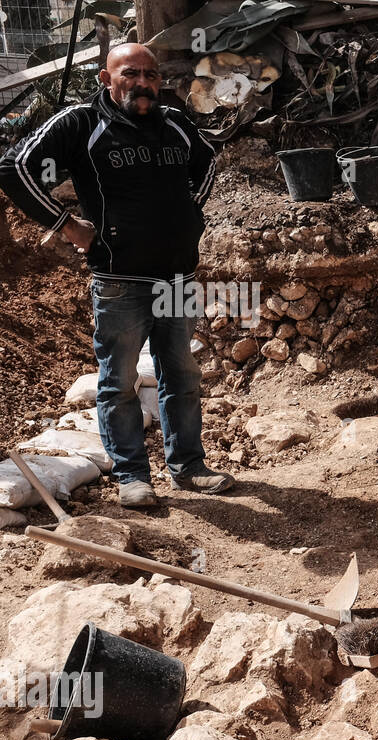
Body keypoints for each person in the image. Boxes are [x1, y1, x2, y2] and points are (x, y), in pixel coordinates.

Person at [0, 43, 234, 508]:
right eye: (131, 74)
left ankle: (188, 467)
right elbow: (14, 167)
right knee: (118, 381)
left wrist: (190, 214)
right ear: (107, 80)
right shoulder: (81, 124)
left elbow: (207, 162)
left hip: (177, 279)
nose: (143, 83)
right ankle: (131, 476)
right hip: (119, 280)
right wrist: (65, 224)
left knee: (182, 374)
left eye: (150, 74)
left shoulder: (174, 122)